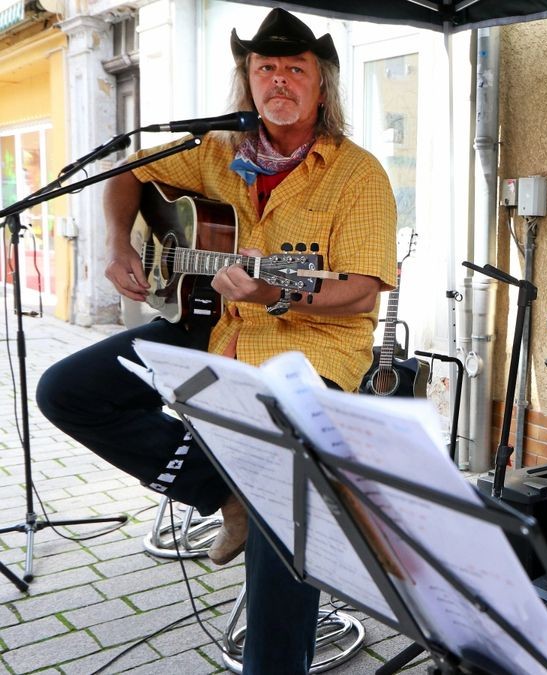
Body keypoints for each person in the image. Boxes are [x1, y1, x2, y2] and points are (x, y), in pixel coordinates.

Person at [36, 9, 396, 674]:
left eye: (295, 69)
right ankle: (217, 491)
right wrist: (117, 247)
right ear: (248, 81)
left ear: (323, 87)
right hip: (212, 328)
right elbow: (130, 171)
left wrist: (276, 294)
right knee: (68, 390)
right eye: (265, 68)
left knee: (280, 493)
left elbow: (364, 287)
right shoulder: (214, 150)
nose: (279, 80)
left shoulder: (357, 173)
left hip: (308, 355)